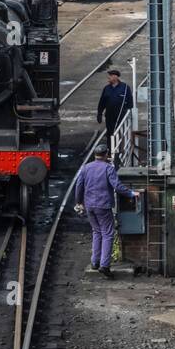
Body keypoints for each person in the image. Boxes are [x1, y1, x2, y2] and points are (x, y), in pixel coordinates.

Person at [73, 145, 137, 278]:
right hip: (103, 205)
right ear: (106, 154)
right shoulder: (108, 168)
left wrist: (79, 202)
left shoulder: (86, 168)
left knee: (97, 232)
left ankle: (95, 262)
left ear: (95, 154)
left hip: (89, 205)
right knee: (108, 234)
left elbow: (79, 186)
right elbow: (117, 186)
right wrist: (131, 193)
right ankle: (105, 265)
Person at [97, 68, 133, 150]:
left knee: (121, 133)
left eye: (110, 76)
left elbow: (130, 102)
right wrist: (99, 113)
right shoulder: (106, 88)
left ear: (115, 77)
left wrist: (128, 114)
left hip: (121, 116)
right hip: (109, 116)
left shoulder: (125, 88)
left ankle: (121, 150)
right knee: (110, 133)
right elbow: (102, 102)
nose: (108, 77)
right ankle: (111, 151)